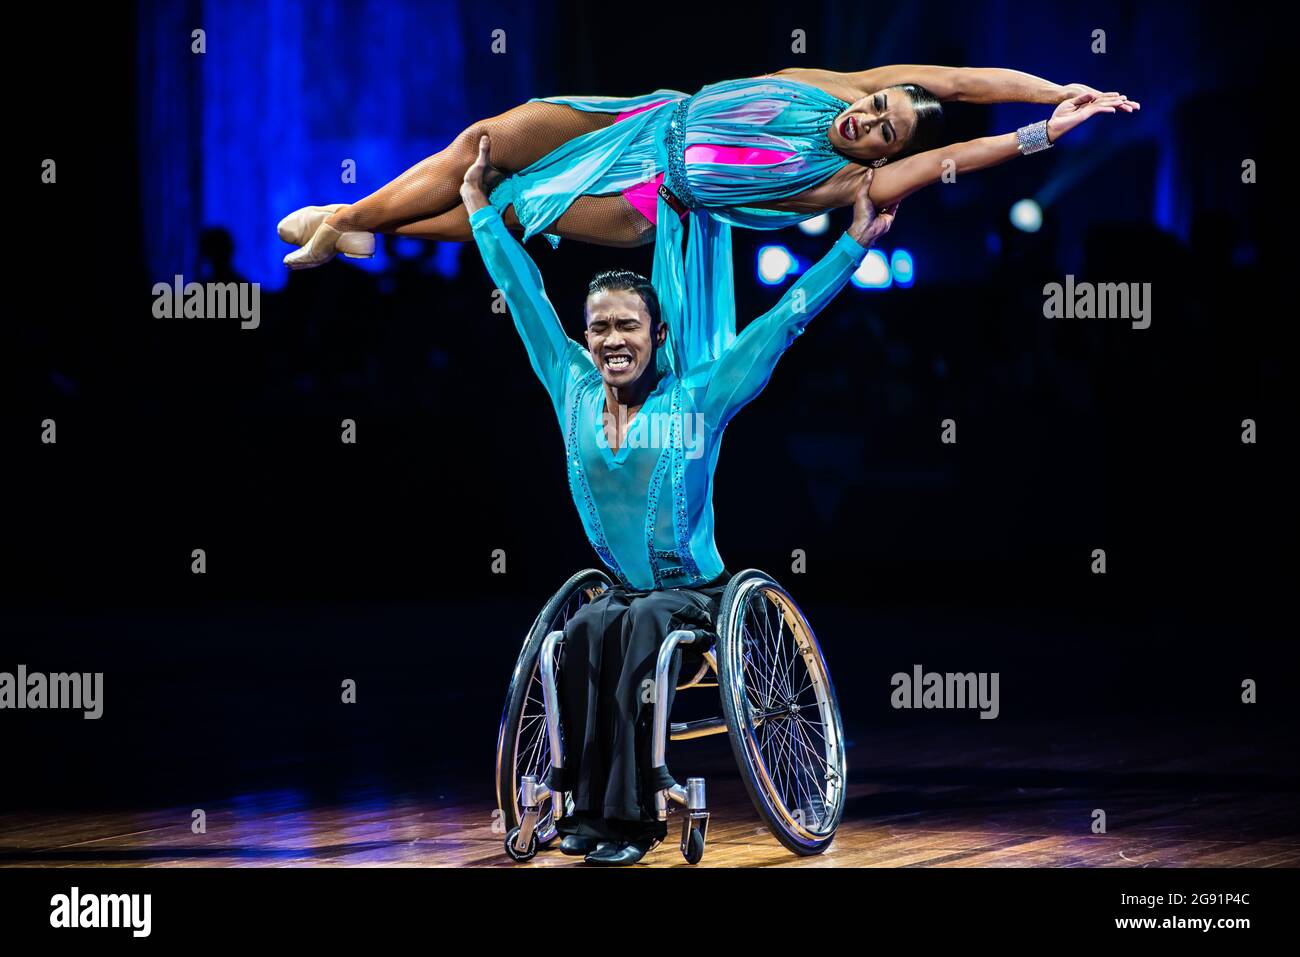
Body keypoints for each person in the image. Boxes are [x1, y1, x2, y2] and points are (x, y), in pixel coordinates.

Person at [460, 134, 898, 864]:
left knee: (630, 628)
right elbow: (526, 294)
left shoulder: (695, 398)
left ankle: (629, 822)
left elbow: (780, 321)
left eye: (626, 325)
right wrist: (477, 205)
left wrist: (852, 246)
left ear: (657, 334)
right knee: (587, 629)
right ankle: (578, 804)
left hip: (697, 593)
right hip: (624, 594)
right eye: (598, 326)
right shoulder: (570, 387)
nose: (609, 339)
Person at [281, 64, 1136, 377]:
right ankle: (348, 219)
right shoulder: (837, 88)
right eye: (878, 107)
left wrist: (1039, 134)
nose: (867, 120)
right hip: (641, 118)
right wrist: (1055, 86)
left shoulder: (853, 178)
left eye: (883, 132)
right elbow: (958, 81)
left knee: (500, 211)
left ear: (885, 157)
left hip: (654, 199)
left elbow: (958, 147)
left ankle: (352, 226)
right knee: (487, 142)